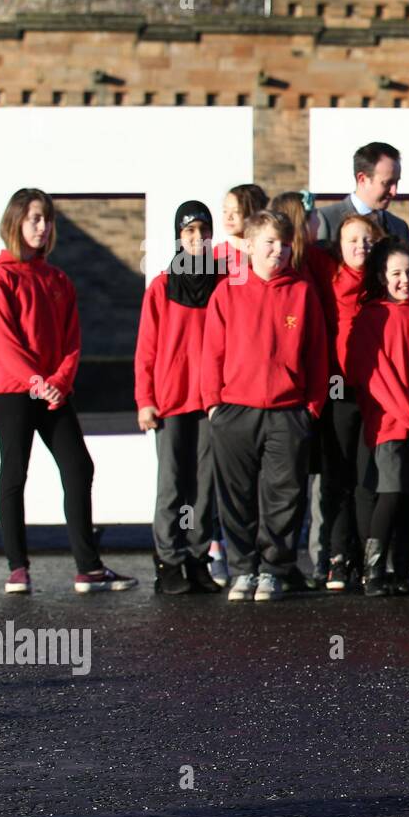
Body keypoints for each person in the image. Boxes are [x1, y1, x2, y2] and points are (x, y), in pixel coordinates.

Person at [0, 188, 138, 595]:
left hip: (53, 390)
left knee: (78, 467)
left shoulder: (58, 279)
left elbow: (72, 340)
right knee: (15, 471)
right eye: (35, 218)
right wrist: (36, 381)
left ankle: (87, 569)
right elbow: (3, 341)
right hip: (12, 389)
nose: (43, 226)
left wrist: (59, 382)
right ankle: (18, 568)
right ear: (15, 221)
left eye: (47, 219)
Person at [201, 210, 329, 603]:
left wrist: (312, 408)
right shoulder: (228, 290)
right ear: (251, 244)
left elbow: (317, 354)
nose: (279, 250)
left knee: (284, 495)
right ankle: (242, 570)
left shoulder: (302, 290)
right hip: (234, 410)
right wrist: (213, 406)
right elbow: (211, 352)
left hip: (288, 412)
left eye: (286, 243)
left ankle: (273, 569)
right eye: (271, 242)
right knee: (236, 496)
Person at [345, 237, 409, 597]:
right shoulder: (370, 318)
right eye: (396, 273)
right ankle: (373, 570)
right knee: (392, 495)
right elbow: (374, 375)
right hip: (390, 423)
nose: (405, 279)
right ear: (381, 276)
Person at [134, 200, 224, 595]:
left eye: (204, 232)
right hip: (170, 401)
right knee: (172, 485)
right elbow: (146, 348)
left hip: (209, 402)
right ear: (178, 236)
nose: (198, 239)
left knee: (204, 488)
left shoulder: (222, 284)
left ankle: (196, 556)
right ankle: (168, 561)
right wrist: (144, 399)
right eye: (190, 232)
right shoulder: (161, 286)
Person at [270, 191, 339, 587]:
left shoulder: (316, 262)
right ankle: (282, 561)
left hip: (317, 388)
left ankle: (315, 558)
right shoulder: (293, 271)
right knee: (287, 483)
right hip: (291, 392)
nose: (319, 226)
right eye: (312, 219)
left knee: (312, 480)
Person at [322, 213, 385, 592]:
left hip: (375, 394)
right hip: (336, 390)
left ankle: (368, 560)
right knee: (336, 478)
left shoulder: (381, 284)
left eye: (366, 240)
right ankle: (336, 558)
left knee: (368, 479)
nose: (360, 246)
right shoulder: (328, 281)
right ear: (340, 247)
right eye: (351, 240)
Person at [317, 142, 409, 247]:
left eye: (396, 182)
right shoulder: (327, 220)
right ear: (362, 179)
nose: (394, 191)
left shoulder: (400, 227)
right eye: (387, 183)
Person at [214, 183, 267, 280]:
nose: (229, 217)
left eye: (236, 211)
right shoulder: (217, 254)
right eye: (225, 211)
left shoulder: (266, 254)